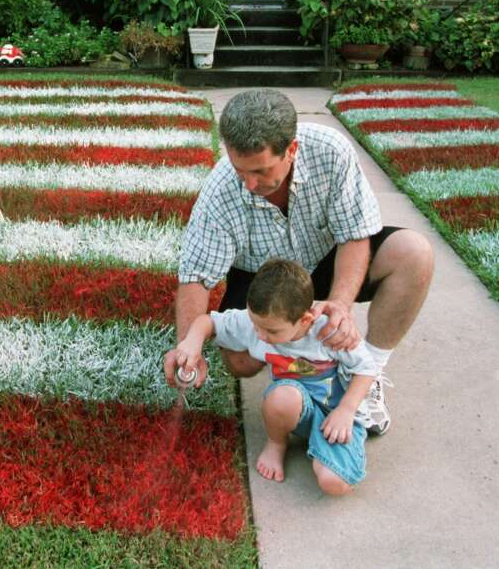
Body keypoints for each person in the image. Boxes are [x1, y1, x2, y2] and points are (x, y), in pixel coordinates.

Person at [163, 88, 433, 435]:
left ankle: (366, 374)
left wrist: (339, 305)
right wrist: (187, 346)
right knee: (239, 360)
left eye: (260, 171)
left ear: (291, 149)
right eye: (239, 169)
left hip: (324, 260)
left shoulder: (331, 152)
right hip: (262, 276)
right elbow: (196, 277)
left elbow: (355, 232)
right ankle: (299, 368)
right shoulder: (222, 190)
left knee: (415, 253)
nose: (248, 184)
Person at [171, 259, 379, 495]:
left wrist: (347, 410)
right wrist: (192, 342)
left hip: (337, 414)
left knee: (333, 483)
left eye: (271, 331)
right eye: (256, 325)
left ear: (305, 320)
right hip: (294, 405)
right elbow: (207, 322)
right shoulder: (258, 323)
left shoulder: (329, 331)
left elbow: (366, 369)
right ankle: (277, 443)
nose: (260, 335)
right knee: (283, 396)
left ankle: (326, 445)